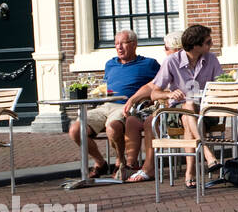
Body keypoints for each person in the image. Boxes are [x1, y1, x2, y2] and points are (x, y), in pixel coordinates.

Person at [68, 30, 160, 179]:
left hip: (126, 106)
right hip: (105, 105)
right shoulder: (110, 64)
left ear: (134, 44)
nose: (119, 47)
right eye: (116, 44)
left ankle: (120, 162)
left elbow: (160, 84)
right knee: (75, 130)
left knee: (112, 128)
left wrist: (148, 99)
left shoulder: (149, 64)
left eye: (123, 43)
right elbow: (105, 87)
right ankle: (100, 163)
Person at [150, 24, 224, 187]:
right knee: (188, 107)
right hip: (175, 111)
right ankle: (207, 154)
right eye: (208, 42)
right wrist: (169, 94)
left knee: (188, 116)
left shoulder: (211, 59)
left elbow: (221, 84)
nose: (211, 45)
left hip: (206, 111)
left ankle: (190, 172)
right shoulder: (172, 61)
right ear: (196, 46)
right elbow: (154, 93)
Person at [121, 32, 182, 182]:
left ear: (178, 49)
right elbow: (152, 85)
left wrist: (165, 94)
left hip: (175, 107)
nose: (164, 51)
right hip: (159, 105)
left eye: (166, 48)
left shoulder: (182, 65)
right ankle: (131, 164)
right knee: (132, 121)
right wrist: (133, 99)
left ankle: (149, 168)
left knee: (150, 121)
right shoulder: (168, 63)